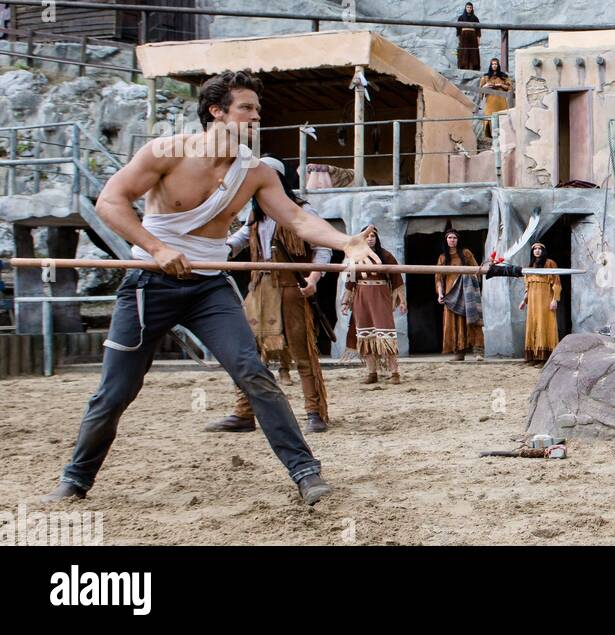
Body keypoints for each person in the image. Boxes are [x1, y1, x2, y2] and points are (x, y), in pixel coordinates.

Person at [44, 71, 378, 506]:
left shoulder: (254, 173)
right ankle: (75, 479)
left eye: (258, 109)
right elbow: (110, 201)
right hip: (149, 283)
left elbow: (297, 219)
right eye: (246, 108)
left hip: (208, 288)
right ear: (216, 112)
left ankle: (305, 472)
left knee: (253, 372)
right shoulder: (166, 153)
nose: (256, 116)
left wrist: (346, 241)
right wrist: (156, 247)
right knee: (116, 390)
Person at [206, 156, 334, 434]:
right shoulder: (256, 213)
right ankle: (244, 412)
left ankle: (314, 412)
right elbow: (240, 239)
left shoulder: (301, 210)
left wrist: (313, 278)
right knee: (246, 353)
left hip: (291, 288)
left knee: (302, 351)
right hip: (260, 288)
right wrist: (220, 250)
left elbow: (323, 247)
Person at [342, 226, 406, 384]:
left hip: (380, 295)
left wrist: (402, 300)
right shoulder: (355, 256)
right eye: (367, 236)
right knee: (366, 336)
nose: (370, 238)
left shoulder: (386, 255)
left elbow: (397, 278)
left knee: (386, 335)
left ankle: (394, 372)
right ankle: (372, 373)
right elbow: (350, 280)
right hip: (361, 297)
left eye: (373, 236)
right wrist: (345, 301)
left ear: (377, 239)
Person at [436, 227, 484, 361]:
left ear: (458, 240)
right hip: (450, 294)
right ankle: (459, 352)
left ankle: (478, 352)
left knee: (473, 320)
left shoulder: (466, 253)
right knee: (453, 322)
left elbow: (476, 271)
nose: (452, 240)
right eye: (450, 238)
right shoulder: (443, 257)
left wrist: (470, 283)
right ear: (446, 240)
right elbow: (438, 277)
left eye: (455, 238)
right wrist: (440, 294)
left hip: (466, 291)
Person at [519, 242, 562, 365]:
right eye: (535, 249)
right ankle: (534, 357)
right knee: (533, 324)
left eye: (540, 249)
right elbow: (527, 285)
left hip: (545, 298)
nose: (537, 251)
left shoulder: (550, 263)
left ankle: (545, 358)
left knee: (545, 324)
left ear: (543, 251)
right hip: (532, 300)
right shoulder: (530, 266)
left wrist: (555, 299)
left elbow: (557, 282)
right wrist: (524, 300)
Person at [480, 57, 513, 136]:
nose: (494, 65)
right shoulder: (485, 77)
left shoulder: (504, 76)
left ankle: (503, 136)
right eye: (492, 64)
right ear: (490, 65)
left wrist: (501, 85)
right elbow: (480, 90)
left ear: (498, 65)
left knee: (502, 117)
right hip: (490, 101)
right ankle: (491, 137)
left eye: (496, 64)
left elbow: (510, 88)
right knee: (490, 117)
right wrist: (486, 85)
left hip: (501, 101)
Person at [456, 2, 482, 71]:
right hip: (464, 38)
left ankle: (473, 68)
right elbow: (458, 30)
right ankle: (464, 68)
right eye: (467, 7)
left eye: (470, 7)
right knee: (464, 52)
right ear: (465, 8)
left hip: (473, 38)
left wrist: (478, 39)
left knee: (473, 52)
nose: (469, 9)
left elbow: (478, 30)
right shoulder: (461, 18)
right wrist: (459, 39)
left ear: (472, 8)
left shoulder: (475, 18)